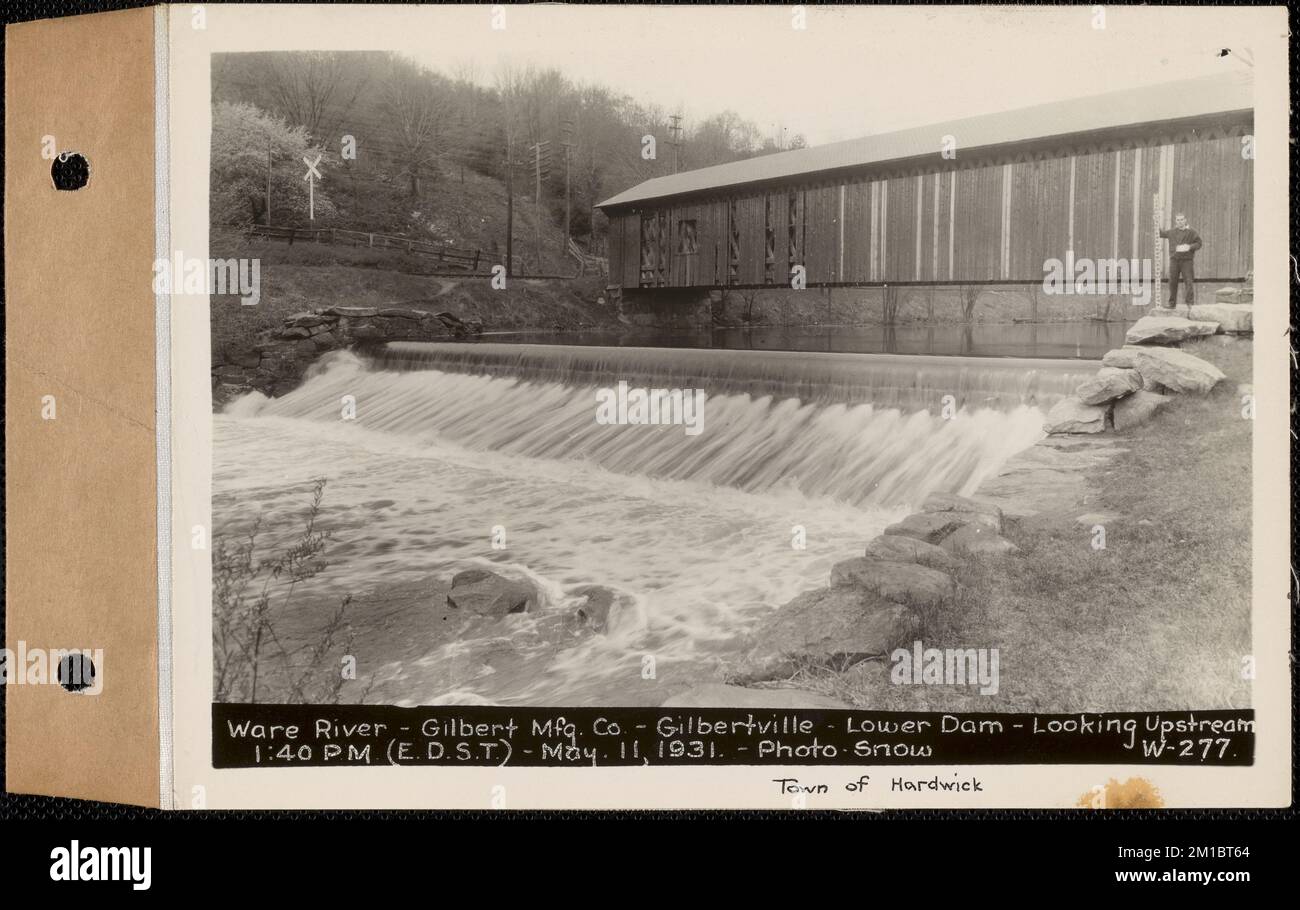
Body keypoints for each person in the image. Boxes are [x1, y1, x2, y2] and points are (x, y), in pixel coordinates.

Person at [1158, 213, 1202, 311]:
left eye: (1182, 219)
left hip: (1187, 261)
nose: (1180, 222)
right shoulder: (1172, 232)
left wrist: (1189, 247)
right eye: (1178, 220)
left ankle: (1190, 303)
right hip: (1174, 261)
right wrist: (1156, 222)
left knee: (1188, 281)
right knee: (1172, 282)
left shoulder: (1191, 232)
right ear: (1175, 221)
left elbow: (1199, 243)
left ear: (1185, 220)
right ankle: (1172, 303)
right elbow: (1160, 234)